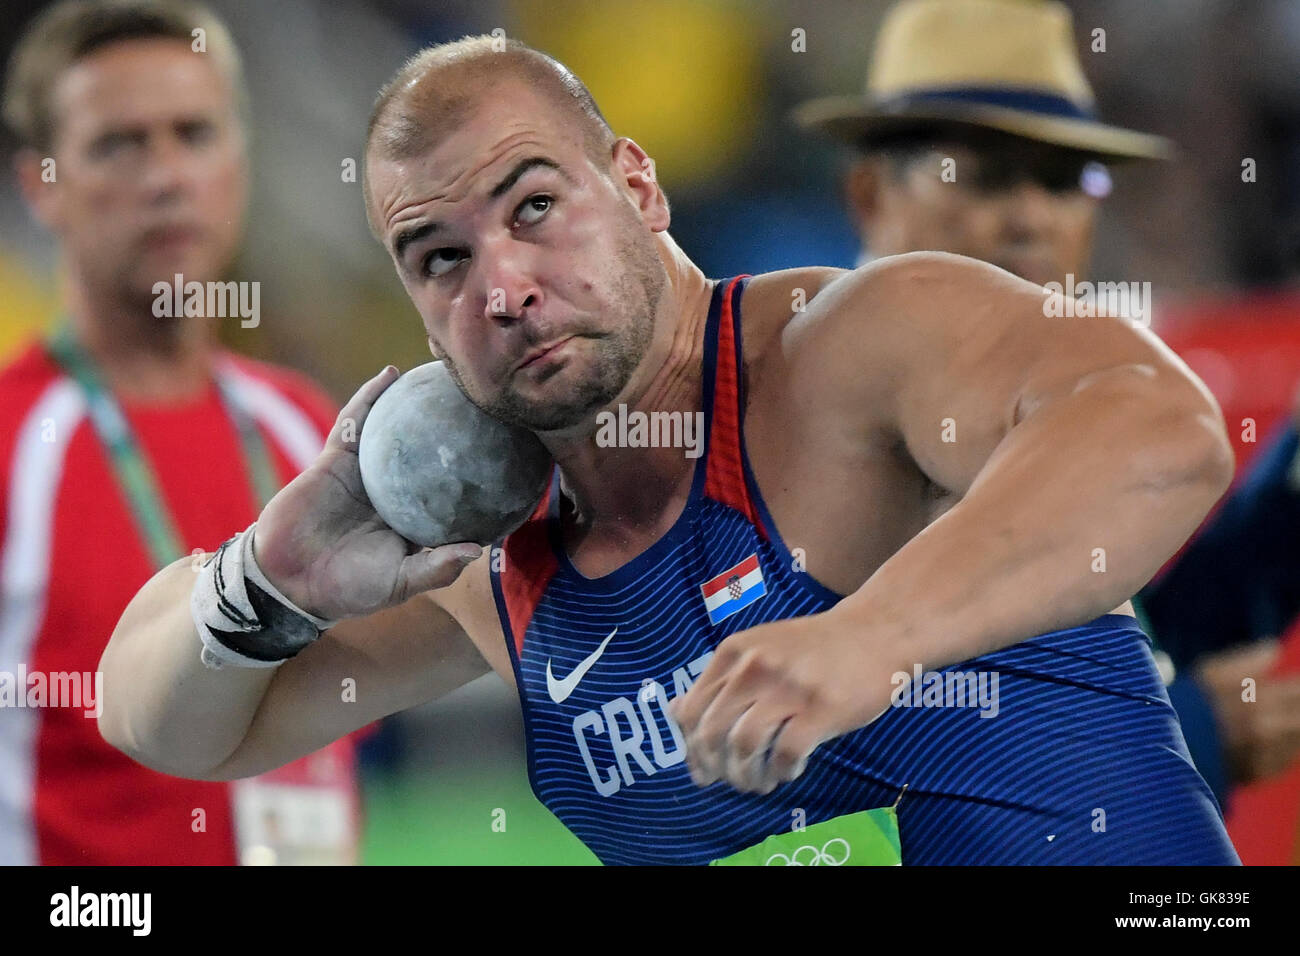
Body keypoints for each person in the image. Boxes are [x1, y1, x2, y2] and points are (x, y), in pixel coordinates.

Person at [101, 33, 1239, 865]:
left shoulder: (848, 348)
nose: (504, 287)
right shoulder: (490, 569)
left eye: (534, 205)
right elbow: (172, 727)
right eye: (438, 258)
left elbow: (1162, 427)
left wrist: (873, 636)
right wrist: (263, 582)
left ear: (637, 184)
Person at [794, 0, 1300, 812]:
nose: (1031, 217)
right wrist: (1185, 739)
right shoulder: (794, 409)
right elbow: (800, 739)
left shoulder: (1050, 401)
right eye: (988, 174)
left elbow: (1123, 639)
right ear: (869, 195)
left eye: (1066, 180)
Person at [0, 0, 362, 865]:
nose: (167, 176)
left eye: (194, 134)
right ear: (40, 184)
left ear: (238, 159)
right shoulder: (13, 446)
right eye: (120, 144)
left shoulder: (313, 429)